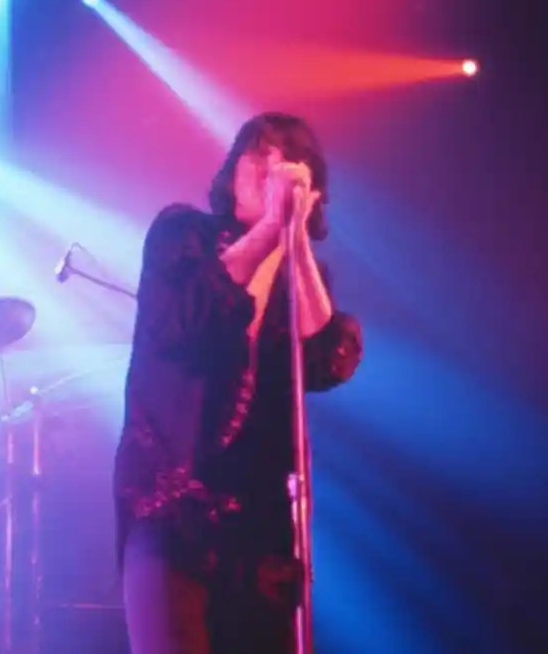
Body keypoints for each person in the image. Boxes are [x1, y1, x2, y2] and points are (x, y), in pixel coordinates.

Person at [114, 113, 364, 653]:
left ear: (313, 191)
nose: (271, 164)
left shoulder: (305, 280)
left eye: (286, 157)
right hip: (171, 509)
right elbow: (188, 321)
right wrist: (268, 230)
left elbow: (325, 362)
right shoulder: (183, 236)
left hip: (259, 532)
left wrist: (292, 236)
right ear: (230, 172)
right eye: (257, 151)